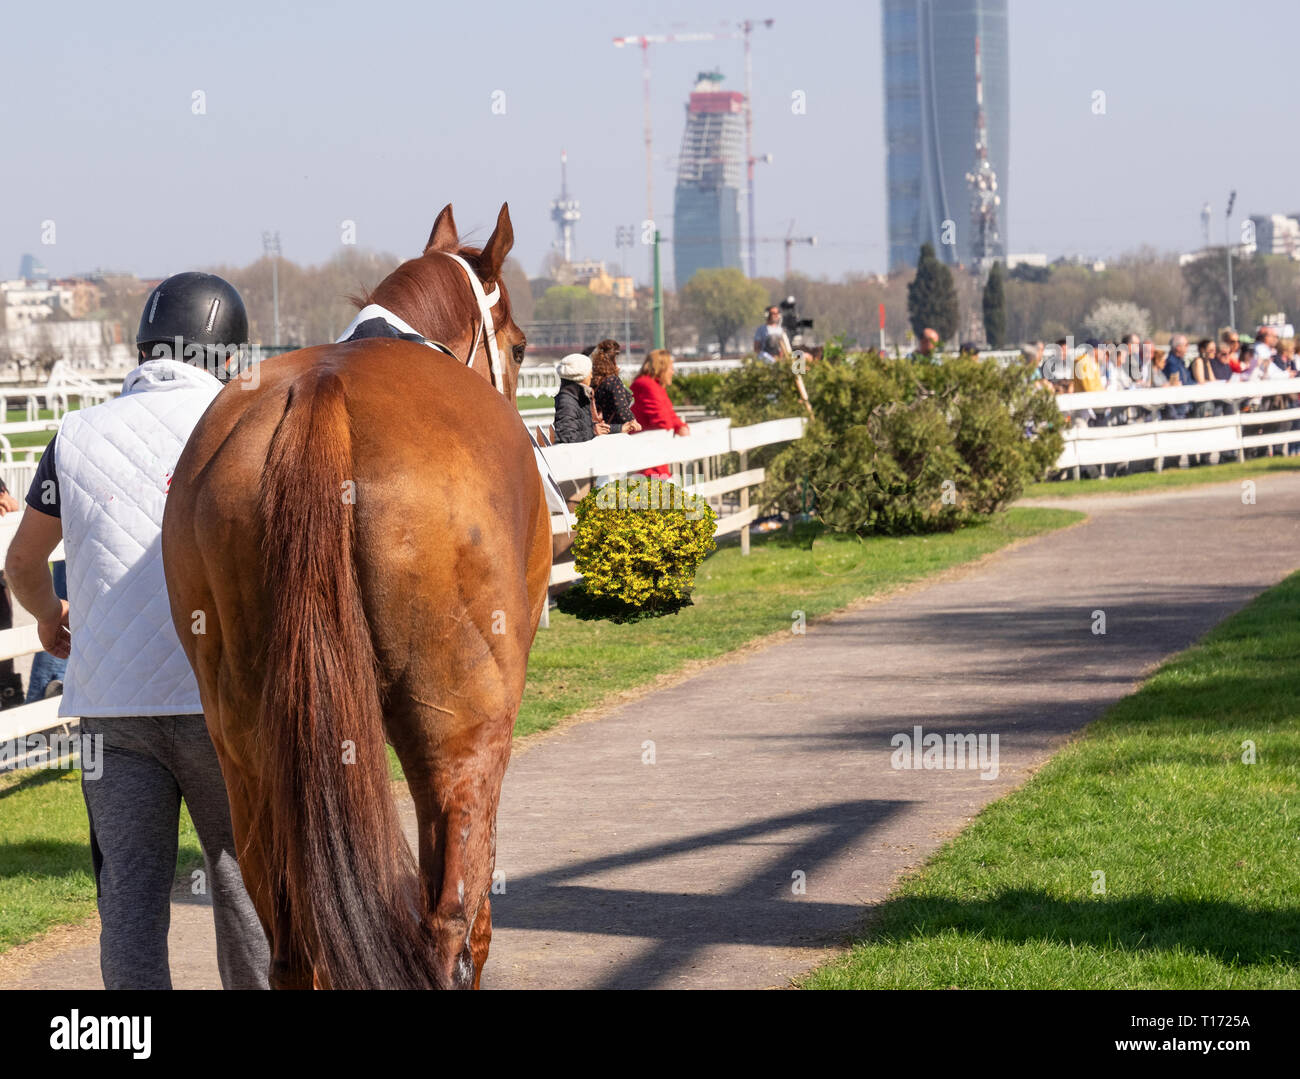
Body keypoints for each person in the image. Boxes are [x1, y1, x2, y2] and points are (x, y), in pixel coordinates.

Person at [3, 271, 270, 990]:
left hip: (109, 714)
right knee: (244, 892)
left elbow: (23, 560)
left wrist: (51, 618)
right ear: (222, 353)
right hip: (219, 706)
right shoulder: (246, 423)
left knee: (128, 904)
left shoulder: (74, 433)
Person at [631, 348, 690, 478]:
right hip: (647, 456)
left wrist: (680, 426)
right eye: (671, 368)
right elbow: (662, 420)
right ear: (661, 368)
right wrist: (678, 428)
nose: (673, 372)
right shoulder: (647, 385)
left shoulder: (654, 386)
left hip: (653, 453)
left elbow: (669, 413)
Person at [552, 352, 609, 443]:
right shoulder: (567, 402)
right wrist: (593, 431)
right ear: (580, 377)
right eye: (589, 373)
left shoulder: (578, 397)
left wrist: (595, 428)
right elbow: (568, 438)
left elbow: (580, 425)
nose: (591, 376)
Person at [589, 340, 641, 437]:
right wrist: (633, 422)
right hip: (616, 431)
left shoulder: (594, 380)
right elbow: (621, 408)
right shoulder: (613, 381)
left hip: (600, 430)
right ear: (614, 359)